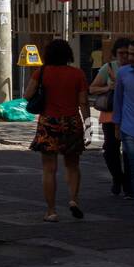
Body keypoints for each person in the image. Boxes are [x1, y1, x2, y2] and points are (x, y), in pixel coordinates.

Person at [26, 38, 89, 223]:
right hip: (72, 122)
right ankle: (73, 200)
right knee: (72, 165)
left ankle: (51, 211)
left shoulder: (41, 73)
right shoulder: (78, 74)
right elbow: (83, 102)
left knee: (49, 169)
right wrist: (88, 125)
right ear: (68, 55)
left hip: (49, 123)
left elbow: (28, 95)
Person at [90, 37, 132, 196]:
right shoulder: (108, 68)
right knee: (110, 150)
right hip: (110, 115)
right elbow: (92, 88)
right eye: (121, 53)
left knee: (129, 152)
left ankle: (128, 185)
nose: (125, 57)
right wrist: (109, 87)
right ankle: (118, 178)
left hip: (131, 116)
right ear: (115, 54)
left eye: (128, 53)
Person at [115, 38, 134, 230]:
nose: (129, 57)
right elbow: (118, 101)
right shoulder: (123, 73)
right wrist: (117, 125)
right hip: (131, 131)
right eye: (128, 53)